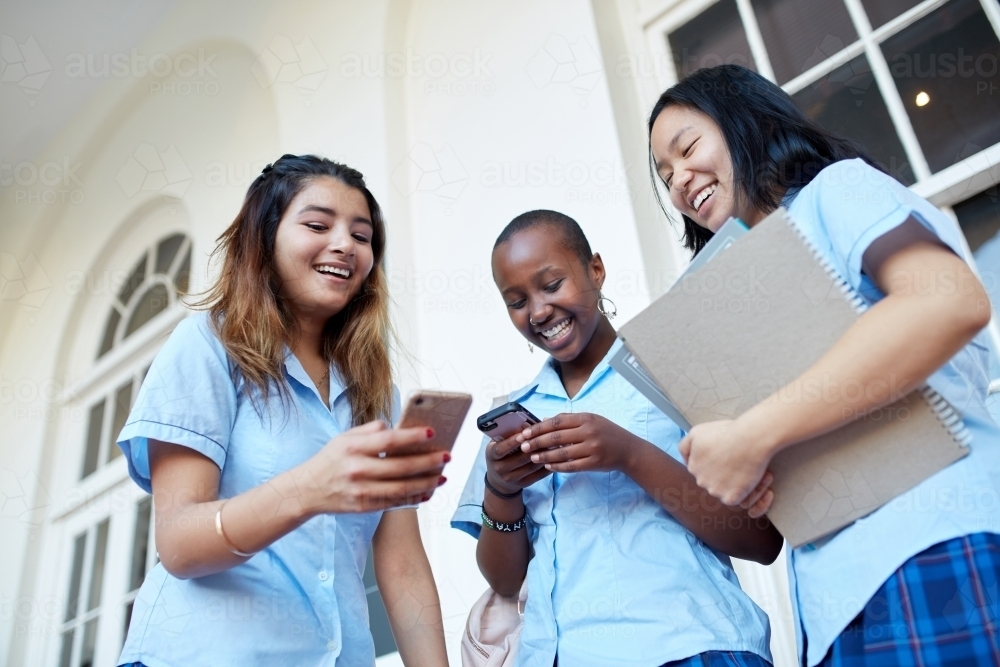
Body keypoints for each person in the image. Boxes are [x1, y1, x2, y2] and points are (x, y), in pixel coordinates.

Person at [647, 64, 1000, 666]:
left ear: (747, 122)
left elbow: (946, 302)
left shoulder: (835, 190)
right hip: (830, 609)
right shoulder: (731, 300)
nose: (679, 180)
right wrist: (751, 474)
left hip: (933, 538)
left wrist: (754, 434)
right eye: (665, 175)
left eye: (688, 149)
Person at [116, 155, 450, 667]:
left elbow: (402, 562)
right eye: (317, 225)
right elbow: (179, 543)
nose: (345, 245)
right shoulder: (207, 345)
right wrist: (310, 488)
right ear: (265, 238)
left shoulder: (377, 395)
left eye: (361, 236)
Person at [453, 209, 782, 667]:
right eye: (517, 301)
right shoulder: (513, 414)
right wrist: (501, 490)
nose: (539, 311)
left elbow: (762, 540)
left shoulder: (677, 373)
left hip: (689, 647)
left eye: (552, 284)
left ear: (596, 270)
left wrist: (629, 454)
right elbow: (506, 582)